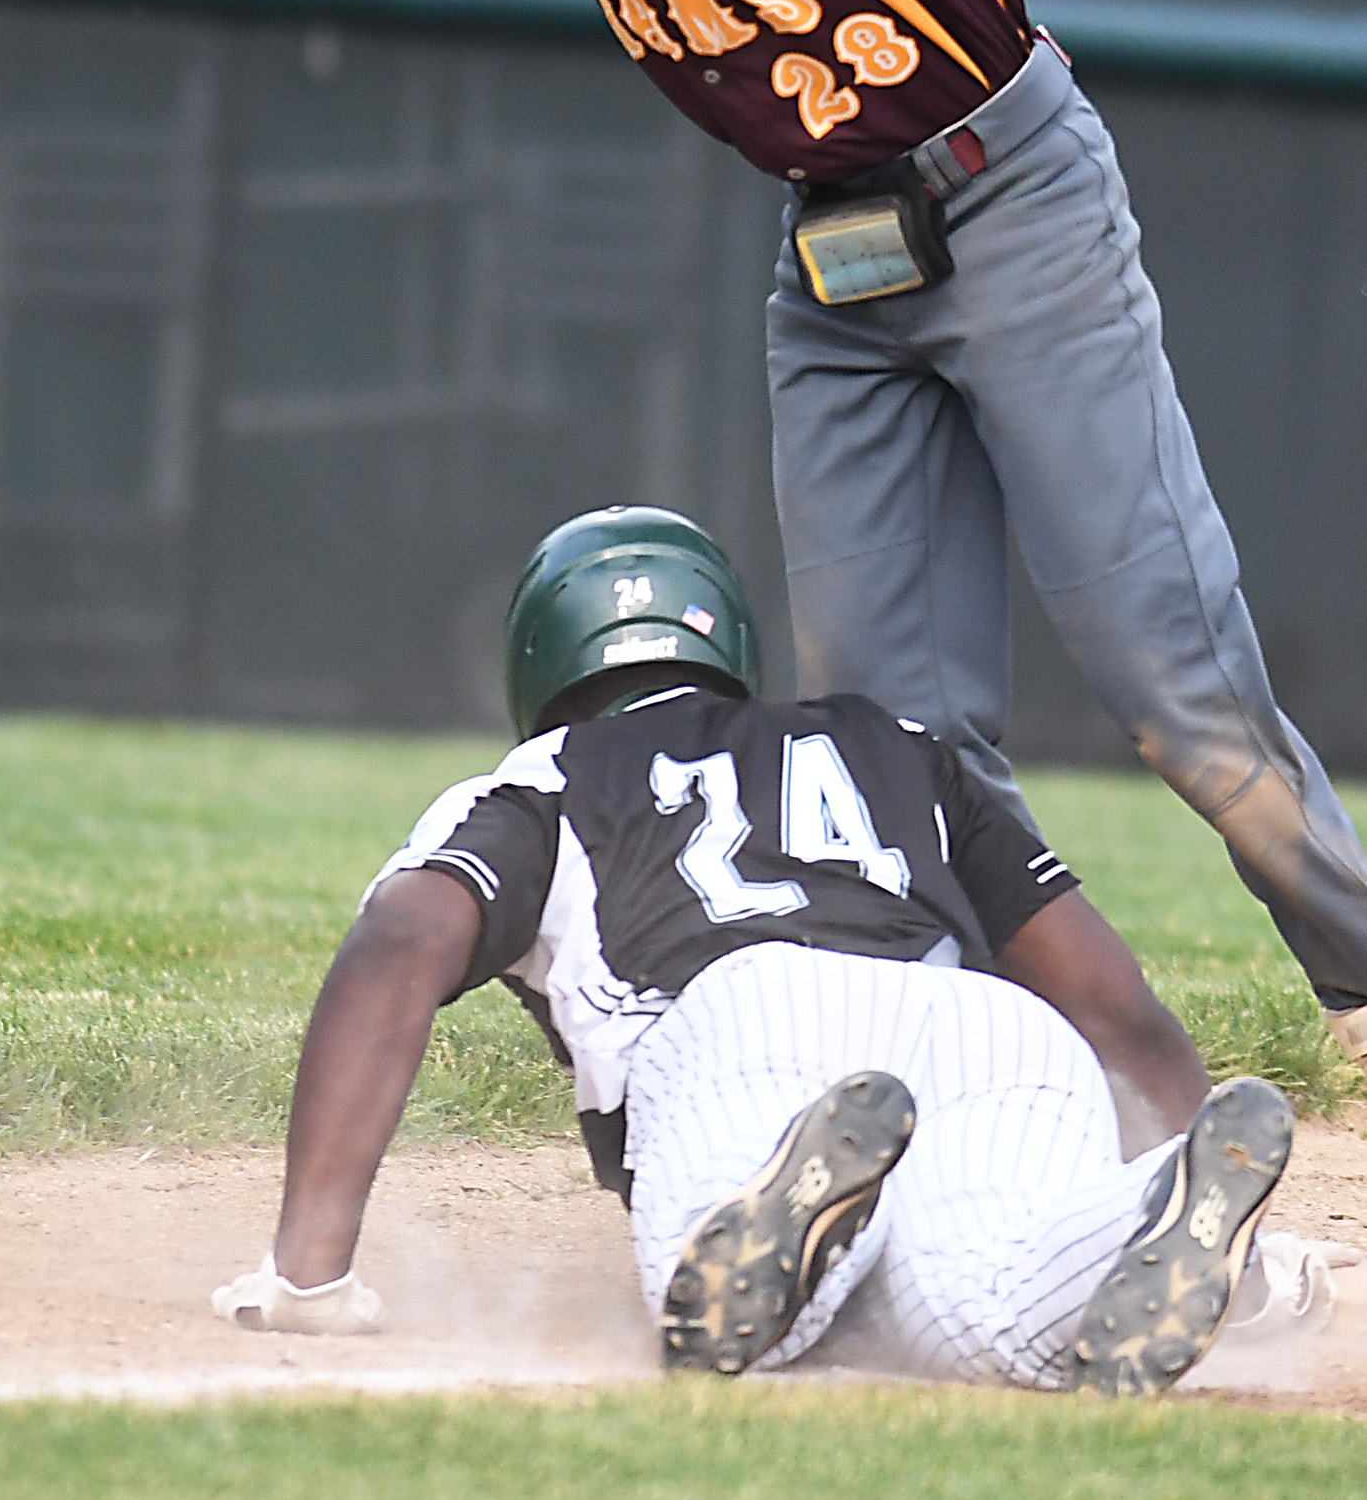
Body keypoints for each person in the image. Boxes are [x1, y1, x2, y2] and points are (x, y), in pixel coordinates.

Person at [37, 0, 1367, 1064]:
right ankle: (949, 1043)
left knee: (1169, 685)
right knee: (886, 733)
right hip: (842, 265)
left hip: (1017, 208)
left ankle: (1360, 971)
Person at [210, 504, 1295, 1394]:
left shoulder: (541, 779)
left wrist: (310, 1271)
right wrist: (1199, 1150)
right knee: (991, 1312)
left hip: (748, 1025)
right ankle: (1147, 1205)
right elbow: (1111, 1007)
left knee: (742, 1323)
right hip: (989, 1036)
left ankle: (787, 1200)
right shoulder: (898, 746)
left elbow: (400, 944)